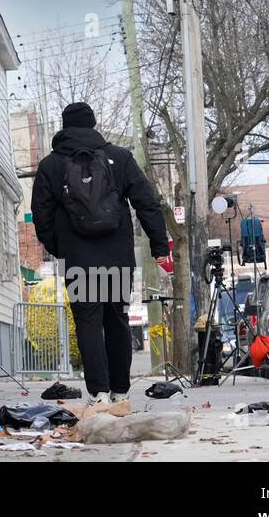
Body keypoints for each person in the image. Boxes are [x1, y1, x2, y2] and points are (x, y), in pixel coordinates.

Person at [31, 102, 172, 404]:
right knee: (117, 319)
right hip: (117, 256)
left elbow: (40, 216)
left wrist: (60, 248)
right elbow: (147, 203)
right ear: (93, 123)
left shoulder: (50, 166)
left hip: (79, 259)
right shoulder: (119, 158)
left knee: (88, 322)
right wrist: (159, 246)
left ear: (65, 126)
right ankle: (120, 391)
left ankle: (99, 393)